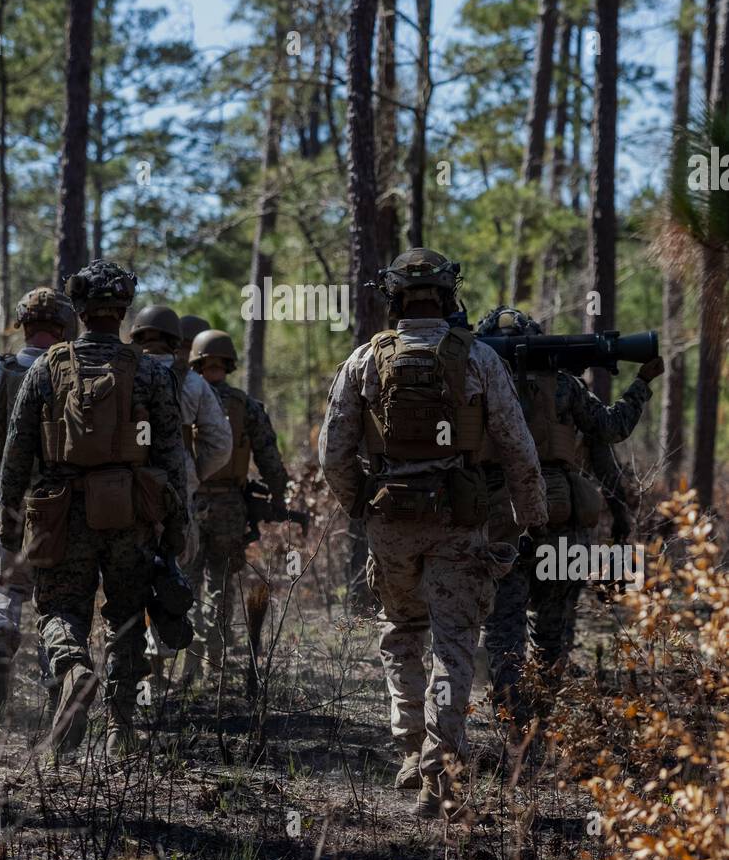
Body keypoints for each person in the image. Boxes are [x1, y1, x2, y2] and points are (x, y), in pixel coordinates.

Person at [319, 250, 547, 819]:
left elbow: (332, 450)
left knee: (400, 630)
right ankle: (441, 768)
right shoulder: (479, 360)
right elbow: (517, 443)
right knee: (452, 643)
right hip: (457, 520)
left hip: (390, 520)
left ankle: (408, 745)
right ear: (448, 296)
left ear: (394, 298)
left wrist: (358, 505)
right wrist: (531, 514)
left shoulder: (365, 360)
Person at [0, 261, 188, 759]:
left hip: (61, 513)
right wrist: (176, 528)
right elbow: (172, 456)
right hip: (131, 514)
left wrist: (9, 525)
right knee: (127, 615)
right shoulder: (147, 370)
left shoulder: (45, 367)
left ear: (78, 311)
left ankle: (72, 667)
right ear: (122, 311)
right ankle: (119, 730)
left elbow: (17, 451)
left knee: (60, 608)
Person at [476, 306, 663, 728]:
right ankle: (541, 717)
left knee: (504, 633)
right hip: (563, 529)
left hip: (503, 525)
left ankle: (513, 725)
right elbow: (612, 429)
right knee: (554, 630)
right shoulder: (565, 387)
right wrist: (642, 382)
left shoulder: (478, 384)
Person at [0, 287, 75, 711]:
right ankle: (54, 680)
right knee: (54, 592)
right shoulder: (70, 375)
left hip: (0, 499)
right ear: (62, 326)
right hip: (57, 503)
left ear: (23, 325)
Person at [181, 328, 288, 688]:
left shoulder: (183, 400)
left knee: (186, 584)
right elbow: (270, 459)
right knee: (221, 586)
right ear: (229, 363)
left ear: (195, 360)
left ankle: (187, 667)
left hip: (190, 502)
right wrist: (278, 498)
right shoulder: (247, 406)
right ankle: (216, 665)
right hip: (229, 504)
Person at [130, 305, 232, 672]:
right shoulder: (191, 382)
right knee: (174, 571)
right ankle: (167, 652)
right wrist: (194, 474)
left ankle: (142, 663)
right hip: (175, 490)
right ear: (176, 341)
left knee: (127, 575)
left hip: (126, 491)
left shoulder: (123, 372)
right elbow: (220, 442)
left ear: (138, 336)